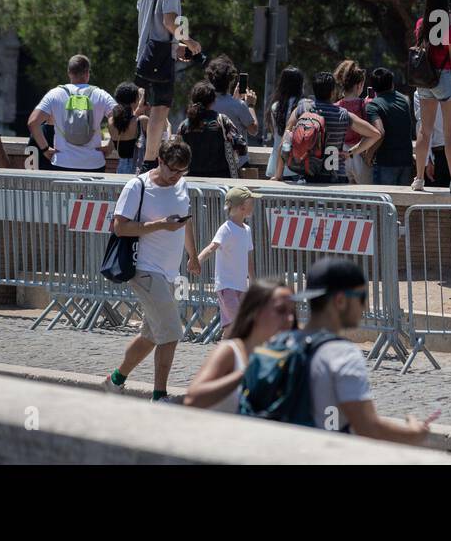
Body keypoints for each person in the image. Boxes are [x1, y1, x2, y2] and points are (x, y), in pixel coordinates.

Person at [101, 140, 200, 402]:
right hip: (143, 268)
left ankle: (115, 381)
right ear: (160, 161)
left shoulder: (182, 184)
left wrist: (193, 254)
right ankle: (160, 396)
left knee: (151, 335)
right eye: (172, 170)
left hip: (169, 271)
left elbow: (184, 222)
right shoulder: (138, 186)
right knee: (171, 332)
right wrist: (159, 225)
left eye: (182, 171)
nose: (176, 176)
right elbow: (120, 227)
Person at [294, 259, 430, 443]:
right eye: (362, 297)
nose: (365, 306)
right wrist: (414, 433)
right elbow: (368, 428)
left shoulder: (280, 342)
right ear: (340, 300)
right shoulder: (342, 354)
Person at [184, 279, 297, 412]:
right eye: (280, 310)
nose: (289, 319)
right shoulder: (230, 351)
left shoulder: (288, 354)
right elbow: (192, 399)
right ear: (256, 312)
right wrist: (246, 372)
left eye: (292, 312)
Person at [134, 0, 202, 170]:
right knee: (160, 109)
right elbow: (169, 21)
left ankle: (146, 159)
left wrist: (176, 48)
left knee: (148, 107)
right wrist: (190, 43)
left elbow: (149, 24)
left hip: (146, 55)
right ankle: (150, 161)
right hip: (160, 60)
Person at [410, 0, 451, 194]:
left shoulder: (420, 25)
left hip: (425, 80)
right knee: (450, 134)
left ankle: (418, 179)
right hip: (445, 80)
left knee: (424, 131)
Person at [275, 72, 382, 185]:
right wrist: (351, 152)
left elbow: (285, 141)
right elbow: (375, 134)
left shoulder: (302, 109)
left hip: (308, 174)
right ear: (332, 92)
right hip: (335, 179)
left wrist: (278, 175)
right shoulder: (343, 114)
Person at [28, 55, 117, 172]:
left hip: (62, 162)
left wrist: (45, 149)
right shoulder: (101, 95)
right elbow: (119, 118)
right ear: (87, 73)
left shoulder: (55, 94)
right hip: (93, 163)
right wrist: (110, 146)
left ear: (69, 73)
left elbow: (33, 122)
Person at [197, 185, 261, 330]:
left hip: (241, 286)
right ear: (240, 207)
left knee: (231, 328)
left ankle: (223, 352)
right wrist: (197, 260)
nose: (253, 206)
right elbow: (212, 246)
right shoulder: (226, 228)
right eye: (250, 203)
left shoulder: (247, 230)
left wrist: (253, 280)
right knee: (238, 326)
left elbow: (248, 257)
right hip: (227, 286)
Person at [177, 80, 244, 179]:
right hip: (221, 180)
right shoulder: (222, 121)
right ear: (213, 100)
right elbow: (241, 146)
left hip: (192, 180)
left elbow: (177, 152)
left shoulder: (184, 125)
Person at [207, 55, 259, 179]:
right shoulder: (238, 106)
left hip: (211, 161)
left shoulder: (205, 103)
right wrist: (250, 105)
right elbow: (254, 130)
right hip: (236, 165)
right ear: (230, 80)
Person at [365, 68, 417, 186]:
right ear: (392, 83)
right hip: (406, 162)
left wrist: (369, 154)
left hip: (386, 163)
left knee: (383, 202)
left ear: (373, 87)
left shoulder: (373, 106)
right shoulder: (403, 101)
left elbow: (380, 133)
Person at [414, 91, 451, 187]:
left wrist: (428, 160)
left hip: (438, 152)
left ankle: (419, 178)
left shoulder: (421, 92)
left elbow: (423, 127)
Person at [333, 61, 373, 186]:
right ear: (359, 85)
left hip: (339, 156)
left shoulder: (335, 107)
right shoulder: (365, 104)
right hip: (359, 154)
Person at [266, 67, 304, 182]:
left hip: (274, 166)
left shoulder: (275, 106)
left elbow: (275, 134)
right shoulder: (303, 106)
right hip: (295, 167)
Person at [108, 82, 148, 175]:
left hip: (121, 169)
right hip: (138, 170)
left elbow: (127, 120)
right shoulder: (142, 121)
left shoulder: (111, 122)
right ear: (134, 101)